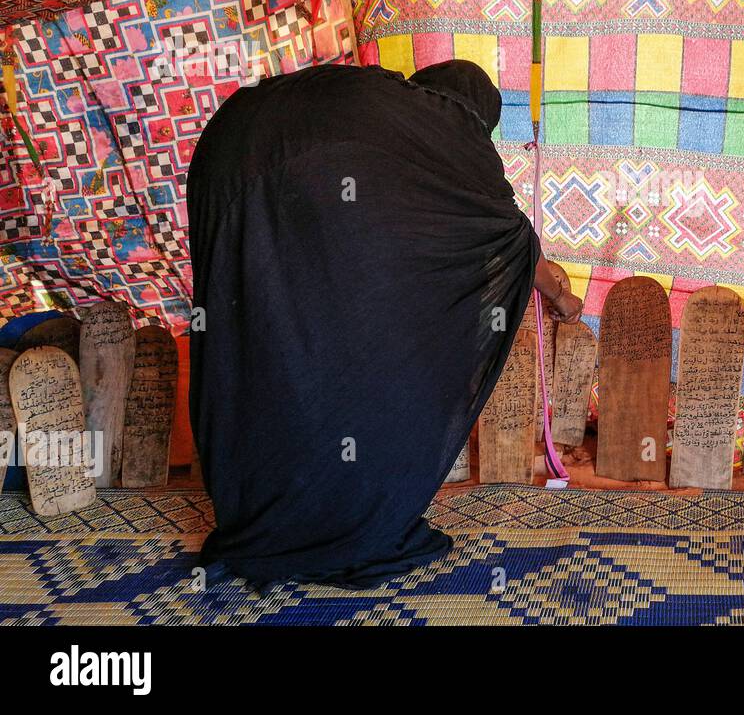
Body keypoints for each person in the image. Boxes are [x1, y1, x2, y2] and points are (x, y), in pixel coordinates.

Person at [187, 59, 581, 588]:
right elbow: (512, 237)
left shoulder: (393, 113)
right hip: (271, 147)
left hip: (228, 138)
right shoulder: (453, 127)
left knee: (257, 334)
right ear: (479, 111)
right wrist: (563, 297)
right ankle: (334, 521)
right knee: (325, 355)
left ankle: (260, 513)